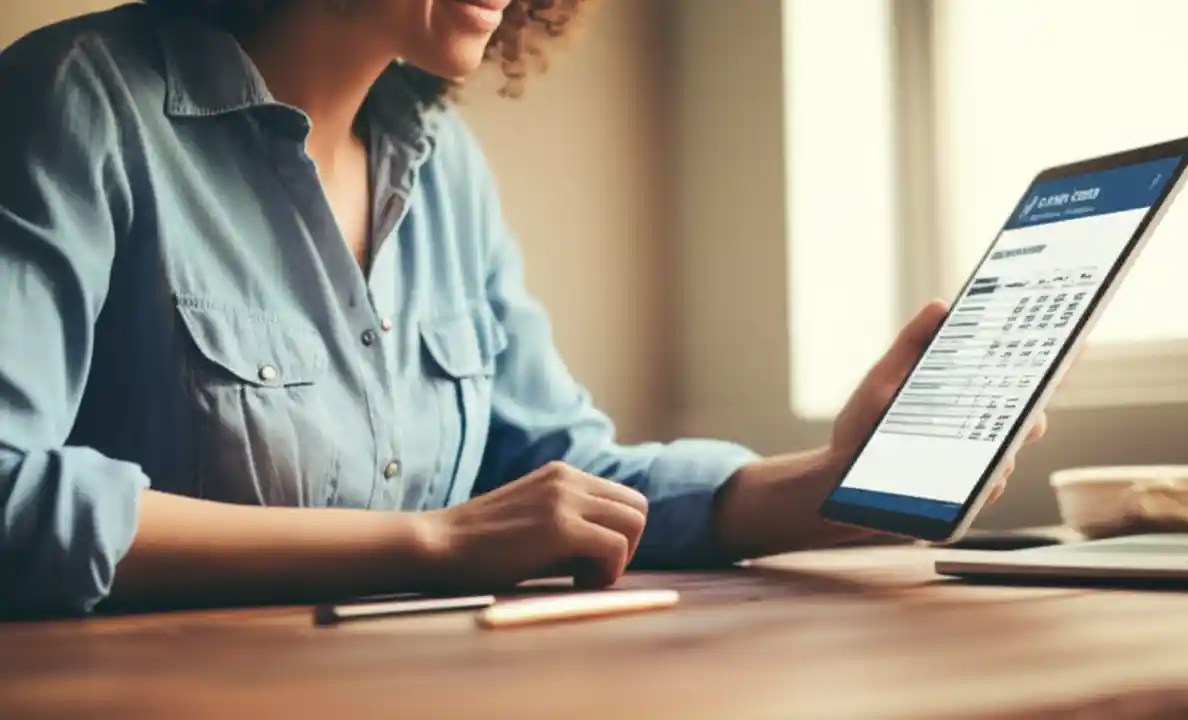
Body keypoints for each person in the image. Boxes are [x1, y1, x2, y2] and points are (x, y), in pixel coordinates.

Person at [0, 0, 1046, 615]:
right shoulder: (75, 104)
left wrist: (839, 487)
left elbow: (559, 477)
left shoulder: (439, 163)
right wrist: (430, 547)